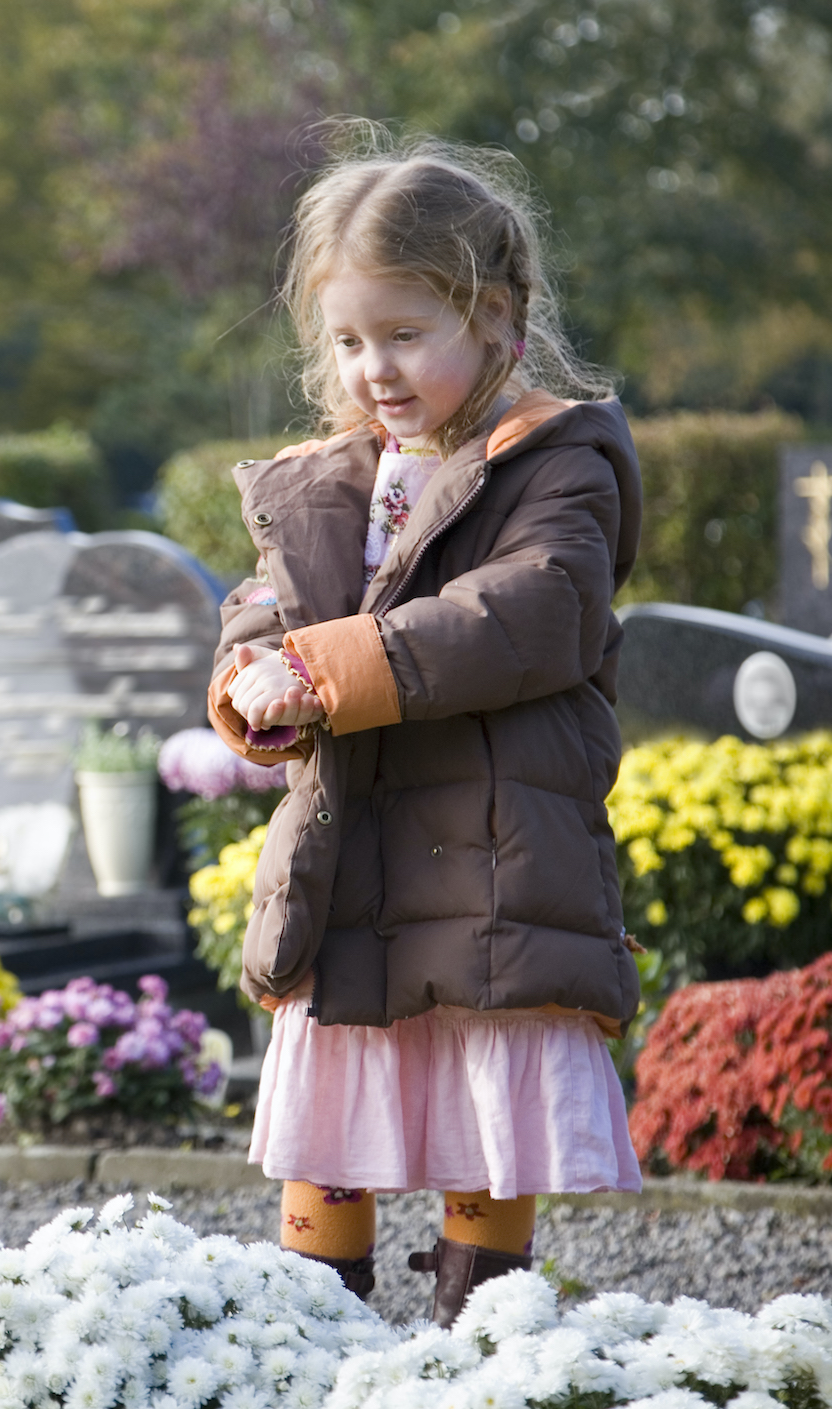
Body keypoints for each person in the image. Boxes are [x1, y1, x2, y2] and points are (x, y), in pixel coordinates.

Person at [208, 124, 645, 1328]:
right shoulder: (324, 477)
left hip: (494, 853)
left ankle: (478, 1329)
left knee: (478, 1101)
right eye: (347, 340)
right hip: (352, 856)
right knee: (333, 1101)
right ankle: (311, 1325)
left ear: (497, 319)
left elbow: (527, 611)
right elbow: (262, 609)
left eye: (406, 334)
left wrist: (324, 664)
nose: (372, 369)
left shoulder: (556, 462)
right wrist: (249, 680)